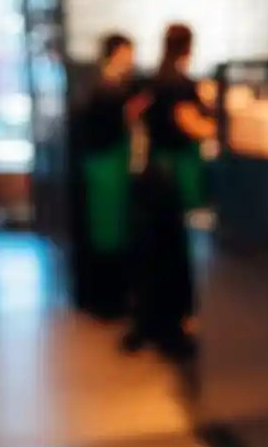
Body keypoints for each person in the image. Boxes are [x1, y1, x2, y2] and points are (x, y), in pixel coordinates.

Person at [125, 23, 216, 359]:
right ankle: (173, 328)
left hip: (148, 171)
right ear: (189, 47)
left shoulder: (149, 79)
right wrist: (220, 127)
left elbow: (133, 115)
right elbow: (189, 124)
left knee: (150, 250)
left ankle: (146, 323)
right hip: (171, 176)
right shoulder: (179, 83)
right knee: (174, 251)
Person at [76, 33, 142, 320]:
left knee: (111, 233)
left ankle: (110, 298)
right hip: (105, 169)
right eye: (128, 53)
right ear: (116, 54)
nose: (132, 60)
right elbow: (113, 127)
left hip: (107, 168)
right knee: (108, 234)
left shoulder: (107, 87)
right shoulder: (106, 89)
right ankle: (107, 302)